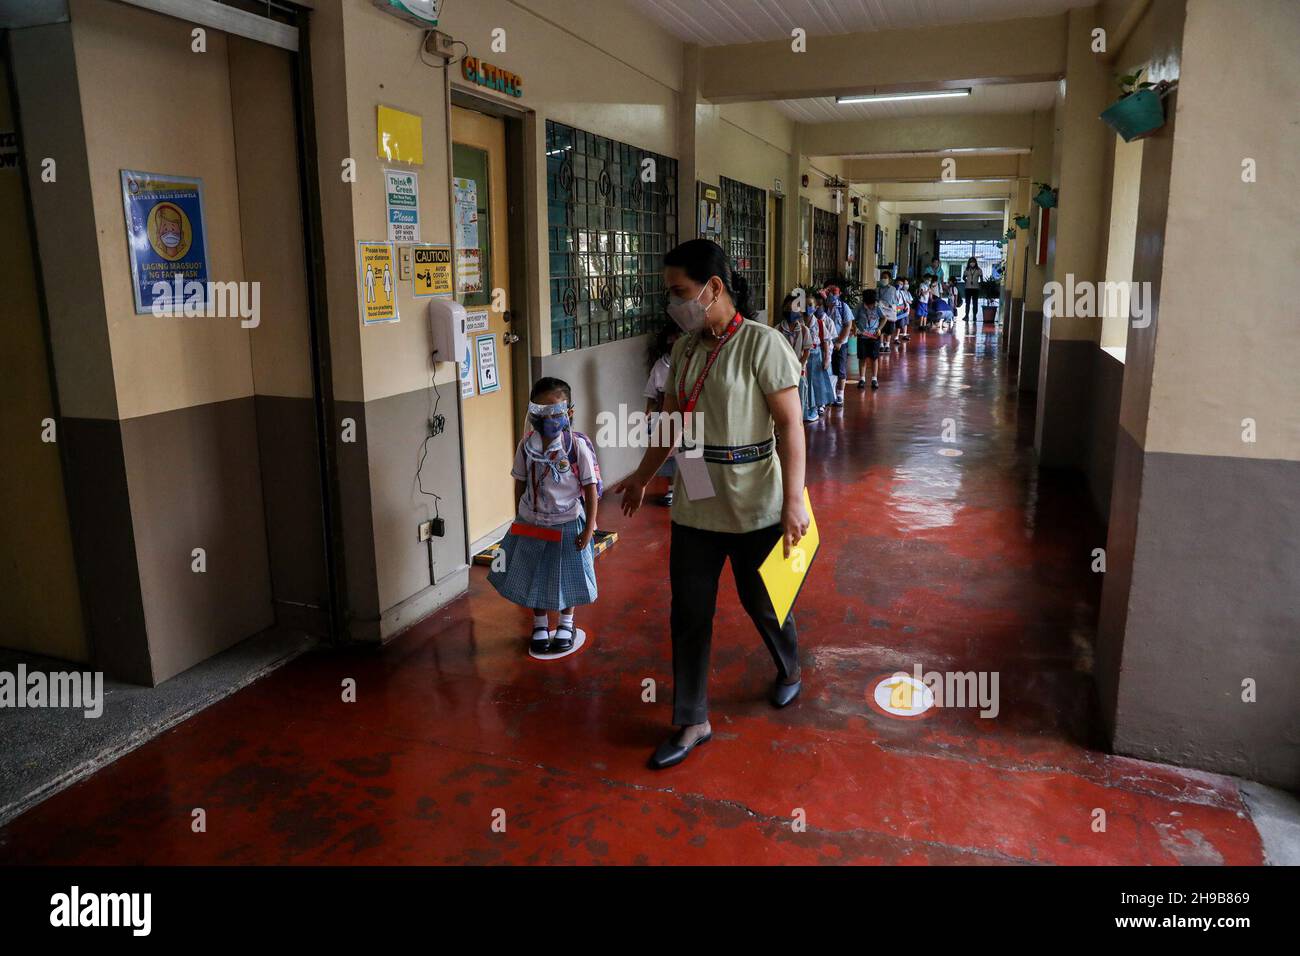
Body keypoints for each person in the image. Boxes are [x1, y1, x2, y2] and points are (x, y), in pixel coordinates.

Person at [613, 239, 809, 770]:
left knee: (763, 600)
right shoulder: (684, 349)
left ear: (713, 287)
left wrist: (794, 501)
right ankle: (692, 719)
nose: (673, 303)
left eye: (680, 292)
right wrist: (641, 477)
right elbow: (671, 426)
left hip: (756, 503)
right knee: (690, 612)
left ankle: (789, 667)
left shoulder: (763, 345)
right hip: (698, 494)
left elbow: (791, 425)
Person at [487, 378, 600, 655]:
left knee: (567, 574)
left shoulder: (575, 446)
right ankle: (539, 624)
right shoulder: (527, 445)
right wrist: (519, 517)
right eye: (541, 410)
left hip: (567, 521)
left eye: (555, 410)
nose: (548, 417)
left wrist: (589, 530)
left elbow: (590, 487)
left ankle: (566, 623)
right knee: (534, 571)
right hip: (532, 521)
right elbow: (520, 481)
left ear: (569, 412)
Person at [644, 323, 680, 505]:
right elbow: (651, 392)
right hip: (664, 413)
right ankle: (672, 491)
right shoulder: (660, 365)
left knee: (691, 452)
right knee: (669, 453)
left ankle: (697, 491)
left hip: (688, 414)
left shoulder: (689, 362)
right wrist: (649, 410)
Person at [776, 294, 818, 424]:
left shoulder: (804, 331)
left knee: (799, 395)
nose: (790, 311)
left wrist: (800, 365)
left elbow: (806, 351)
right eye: (787, 308)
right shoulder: (777, 330)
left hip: (799, 370)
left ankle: (797, 422)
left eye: (794, 308)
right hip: (782, 370)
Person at [806, 292, 836, 414]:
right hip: (803, 355)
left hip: (816, 354)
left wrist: (827, 358)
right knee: (806, 381)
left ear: (815, 307)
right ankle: (807, 404)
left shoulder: (819, 323)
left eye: (810, 305)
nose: (807, 307)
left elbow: (825, 341)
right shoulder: (798, 323)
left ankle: (820, 403)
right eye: (805, 305)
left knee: (818, 381)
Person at [823, 285, 853, 405]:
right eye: (829, 291)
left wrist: (840, 341)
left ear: (839, 294)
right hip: (825, 343)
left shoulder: (843, 307)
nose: (831, 294)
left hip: (840, 343)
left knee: (840, 369)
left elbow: (848, 325)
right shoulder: (823, 307)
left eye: (834, 292)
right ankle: (829, 394)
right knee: (827, 369)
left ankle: (840, 394)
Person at [854, 288, 883, 390]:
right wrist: (856, 328)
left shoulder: (877, 307)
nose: (871, 305)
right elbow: (853, 319)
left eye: (872, 303)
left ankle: (874, 379)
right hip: (862, 336)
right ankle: (862, 379)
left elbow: (884, 318)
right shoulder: (859, 307)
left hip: (874, 336)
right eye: (869, 303)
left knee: (874, 357)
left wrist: (879, 329)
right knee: (862, 357)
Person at [877, 269, 899, 352]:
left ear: (889, 279)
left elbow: (896, 301)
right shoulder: (878, 289)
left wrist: (892, 305)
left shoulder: (893, 289)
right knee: (881, 328)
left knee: (889, 329)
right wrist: (879, 303)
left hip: (890, 311)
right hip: (881, 311)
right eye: (882, 277)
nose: (883, 279)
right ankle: (881, 344)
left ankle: (887, 344)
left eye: (885, 277)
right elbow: (876, 299)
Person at [962, 256, 983, 327]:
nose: (972, 263)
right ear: (969, 263)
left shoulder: (979, 270)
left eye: (973, 262)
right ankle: (966, 315)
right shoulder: (967, 269)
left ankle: (974, 316)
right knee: (967, 303)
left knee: (975, 303)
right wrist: (967, 281)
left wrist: (979, 284)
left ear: (975, 263)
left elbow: (981, 278)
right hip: (967, 288)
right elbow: (963, 277)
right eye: (971, 262)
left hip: (976, 289)